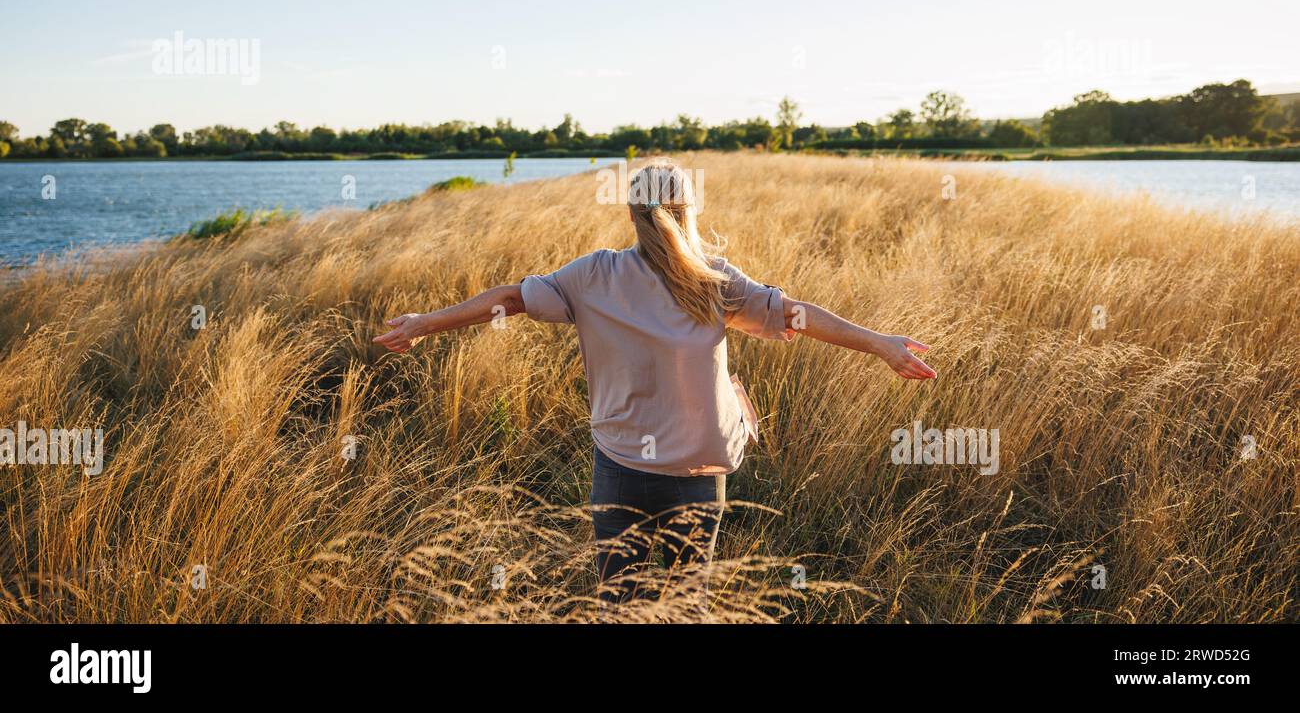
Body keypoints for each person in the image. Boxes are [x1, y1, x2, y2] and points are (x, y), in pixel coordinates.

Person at [374, 159, 936, 605]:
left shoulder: (595, 275)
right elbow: (798, 315)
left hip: (620, 468)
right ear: (688, 210)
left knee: (621, 604)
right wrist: (880, 344)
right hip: (696, 470)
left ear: (633, 215)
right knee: (689, 603)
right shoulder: (714, 280)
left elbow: (508, 300)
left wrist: (425, 324)